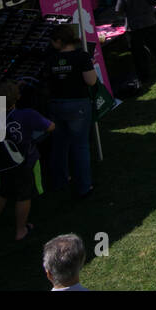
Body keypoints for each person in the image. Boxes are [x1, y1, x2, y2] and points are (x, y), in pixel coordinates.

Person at [0, 81, 53, 242]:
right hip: (25, 162)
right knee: (24, 195)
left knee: (1, 193)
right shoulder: (27, 114)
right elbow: (50, 127)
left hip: (1, 165)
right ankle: (21, 230)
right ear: (18, 97)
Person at [45, 26, 98, 199]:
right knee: (80, 146)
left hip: (56, 105)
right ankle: (84, 187)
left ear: (59, 41)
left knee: (59, 145)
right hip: (78, 105)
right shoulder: (81, 56)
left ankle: (60, 181)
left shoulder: (50, 59)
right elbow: (91, 81)